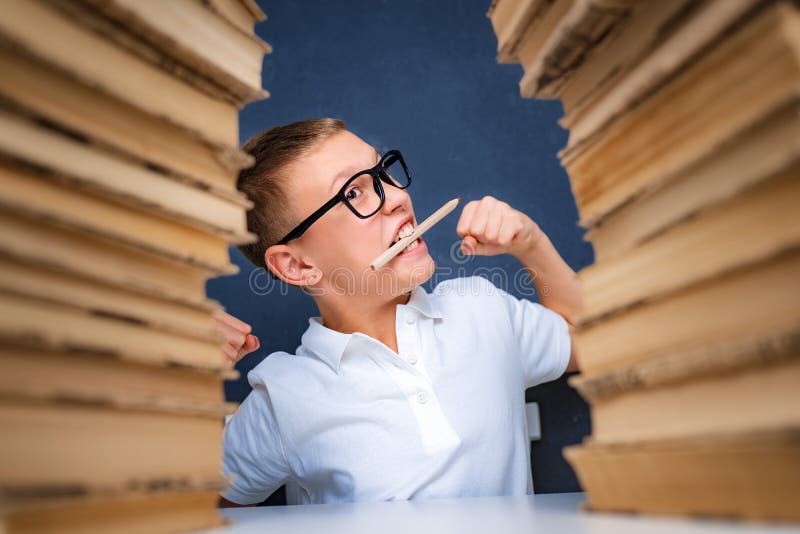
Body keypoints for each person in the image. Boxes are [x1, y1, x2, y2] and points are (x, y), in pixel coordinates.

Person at [215, 118, 582, 506]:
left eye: (382, 171)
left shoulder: (483, 311)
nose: (395, 197)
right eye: (353, 194)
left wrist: (532, 244)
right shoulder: (283, 396)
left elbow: (595, 342)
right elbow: (190, 507)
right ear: (296, 266)